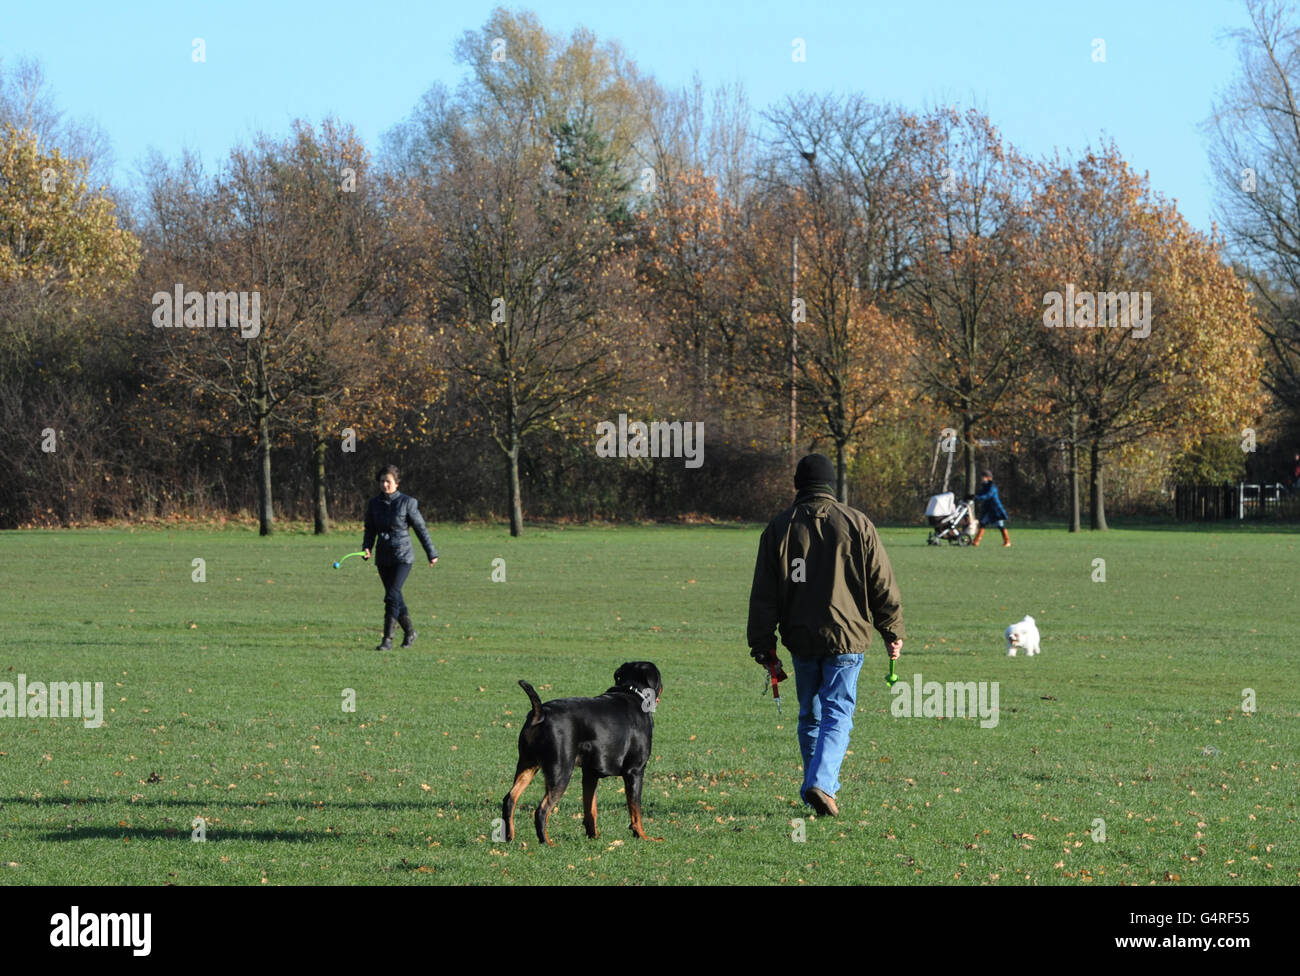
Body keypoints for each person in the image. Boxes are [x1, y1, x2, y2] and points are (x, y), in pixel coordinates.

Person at [746, 453, 905, 817]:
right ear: (831, 485)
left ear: (797, 486)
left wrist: (762, 642)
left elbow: (764, 593)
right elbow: (882, 583)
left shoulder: (779, 528)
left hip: (801, 637)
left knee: (811, 715)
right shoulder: (857, 523)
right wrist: (891, 629)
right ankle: (821, 783)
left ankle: (819, 787)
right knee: (837, 712)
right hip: (847, 637)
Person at [362, 465, 438, 650]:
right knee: (395, 597)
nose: (385, 484)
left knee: (391, 596)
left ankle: (387, 639)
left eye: (388, 481)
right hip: (383, 556)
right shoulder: (374, 503)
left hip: (403, 556)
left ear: (396, 483)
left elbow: (421, 529)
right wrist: (367, 547)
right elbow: (370, 529)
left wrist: (431, 553)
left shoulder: (407, 502)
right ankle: (410, 632)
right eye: (382, 481)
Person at [973, 469, 1010, 547]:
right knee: (983, 523)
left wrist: (978, 498)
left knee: (1000, 525)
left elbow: (988, 496)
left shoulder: (992, 487)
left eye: (983, 477)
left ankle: (1007, 541)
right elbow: (981, 493)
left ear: (988, 478)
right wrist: (973, 496)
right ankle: (976, 541)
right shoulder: (984, 486)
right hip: (988, 509)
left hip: (996, 509)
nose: (981, 479)